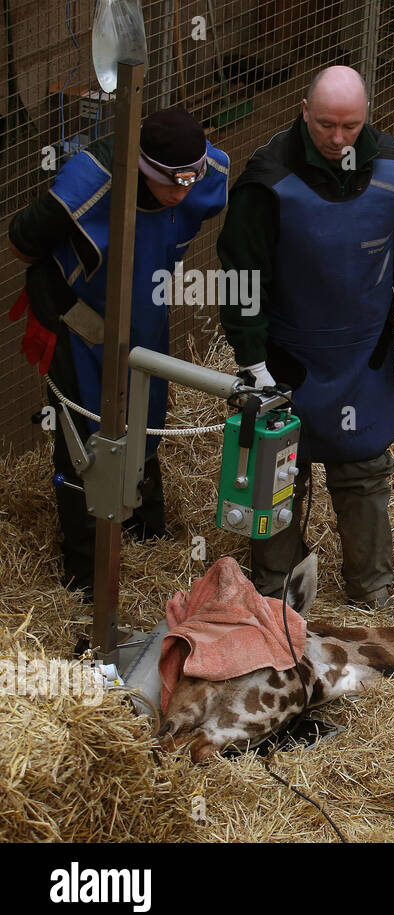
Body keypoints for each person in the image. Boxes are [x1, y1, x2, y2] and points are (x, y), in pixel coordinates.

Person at [217, 65, 394, 607]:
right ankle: (275, 593)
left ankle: (372, 588)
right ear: (303, 109)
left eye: (350, 127)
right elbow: (242, 275)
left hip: (363, 350)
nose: (338, 140)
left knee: (362, 465)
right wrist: (252, 359)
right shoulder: (267, 182)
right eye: (325, 126)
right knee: (277, 470)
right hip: (288, 352)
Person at [7, 107, 229, 596]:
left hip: (144, 308)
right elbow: (22, 243)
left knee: (147, 412)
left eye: (191, 180)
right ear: (143, 170)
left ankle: (145, 533)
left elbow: (201, 184)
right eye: (171, 184)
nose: (184, 192)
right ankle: (85, 569)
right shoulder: (91, 184)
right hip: (81, 318)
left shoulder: (206, 174)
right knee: (81, 436)